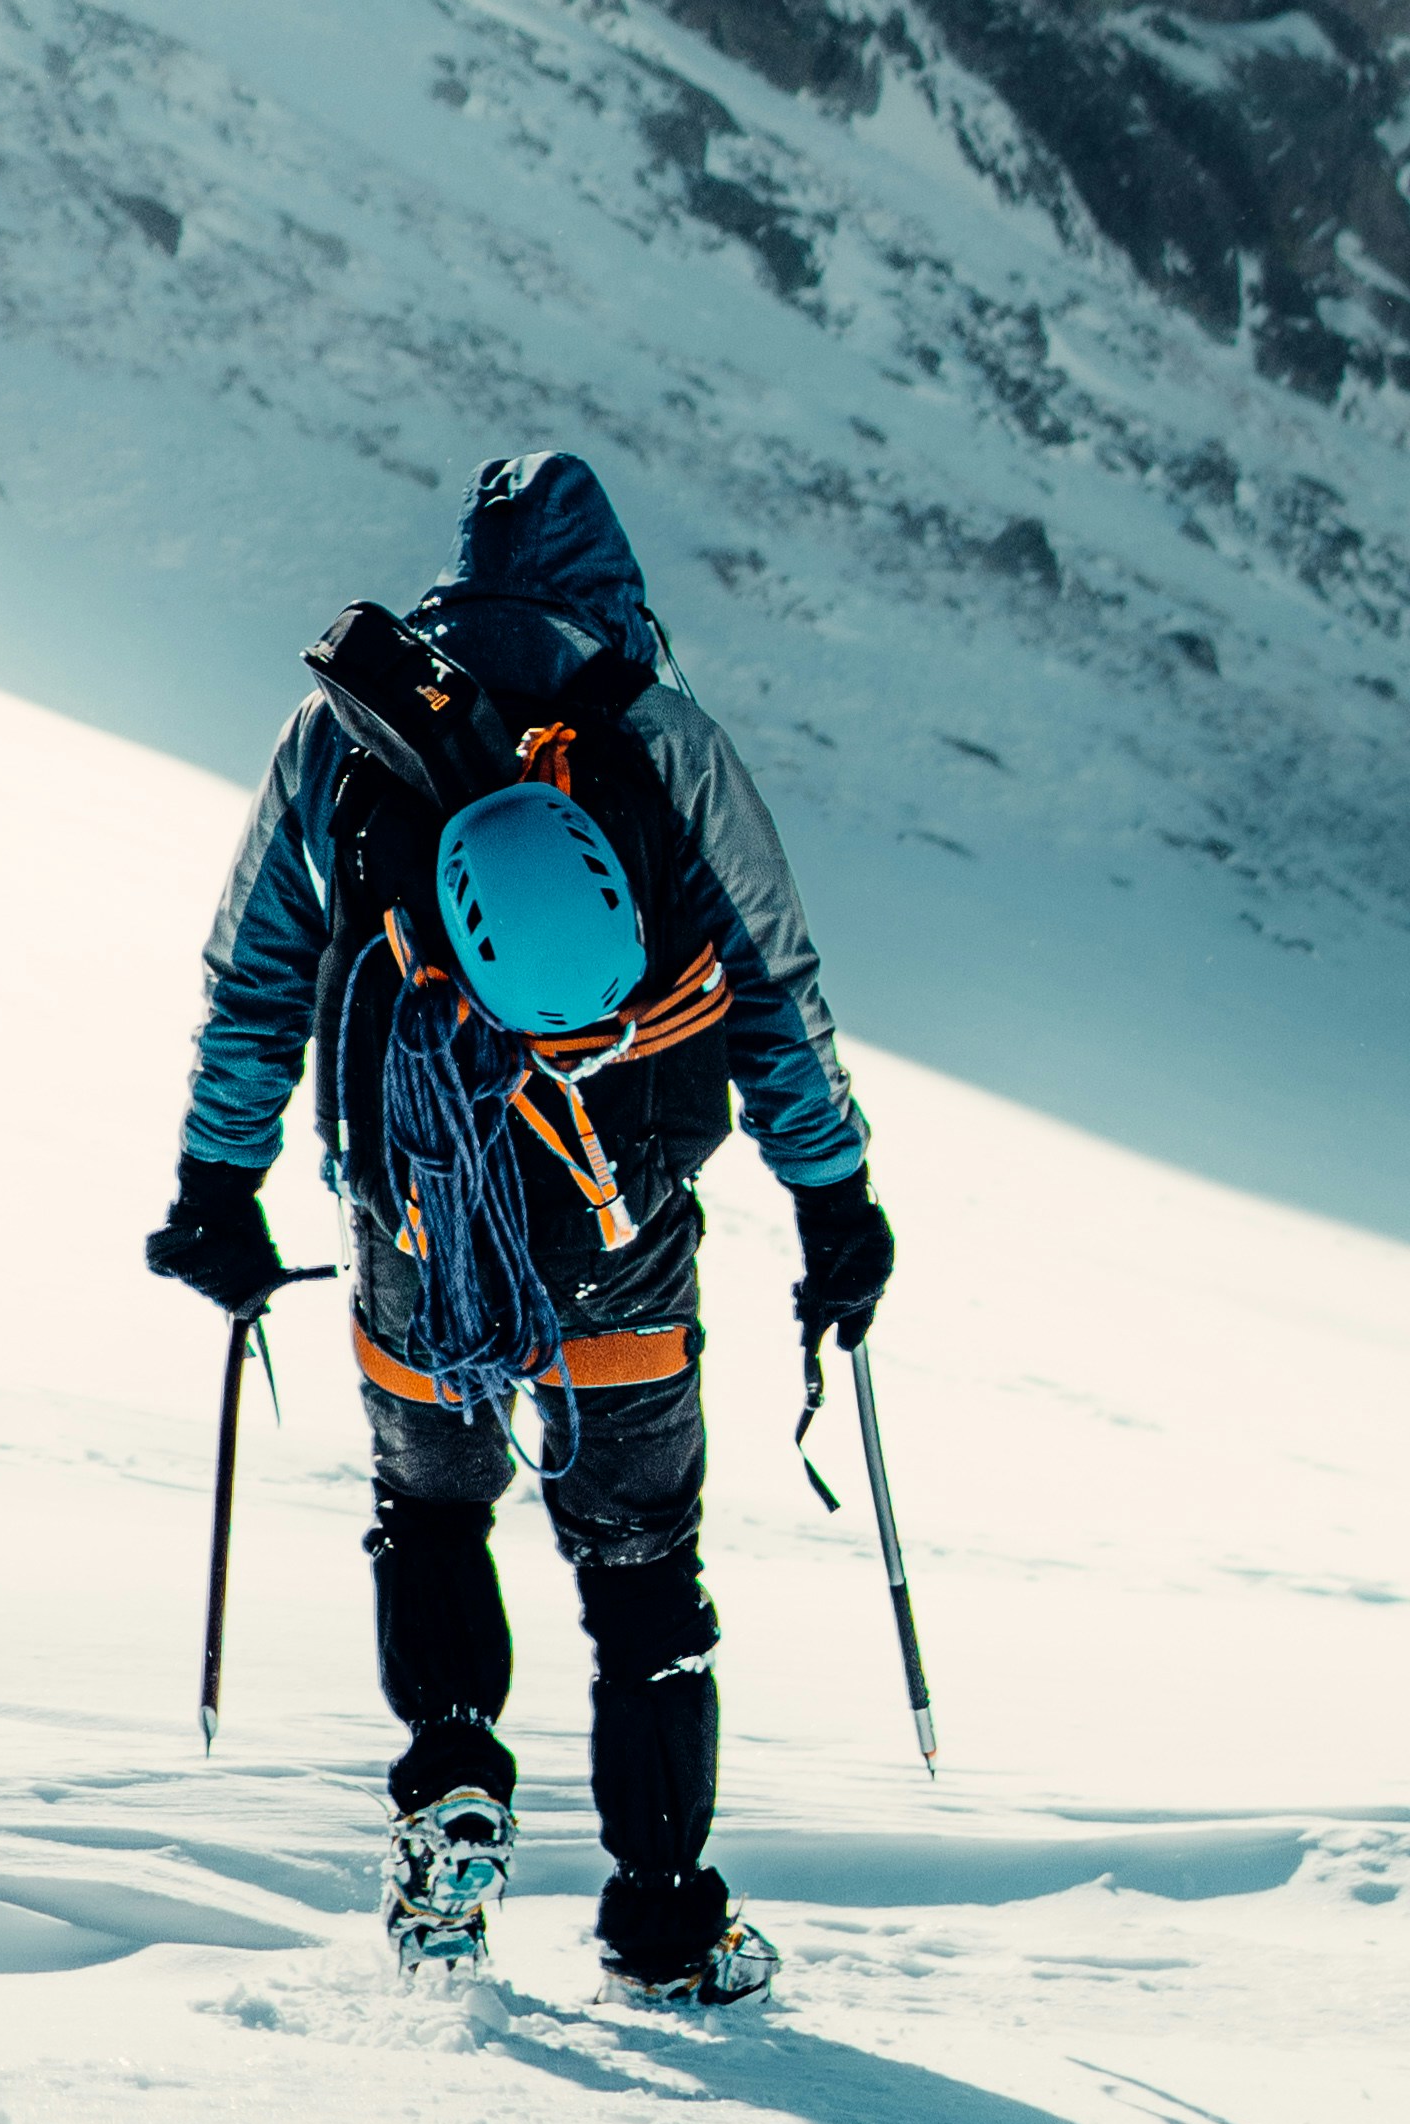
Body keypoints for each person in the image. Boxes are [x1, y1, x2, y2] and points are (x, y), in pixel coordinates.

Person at [146, 441, 891, 2005]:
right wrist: (836, 1204)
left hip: (414, 1221)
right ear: (604, 583)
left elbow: (258, 976)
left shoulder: (339, 733)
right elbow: (774, 992)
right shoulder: (665, 739)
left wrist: (219, 1180)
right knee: (641, 1569)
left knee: (430, 1515)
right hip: (618, 1220)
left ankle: (454, 1809)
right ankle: (666, 1919)